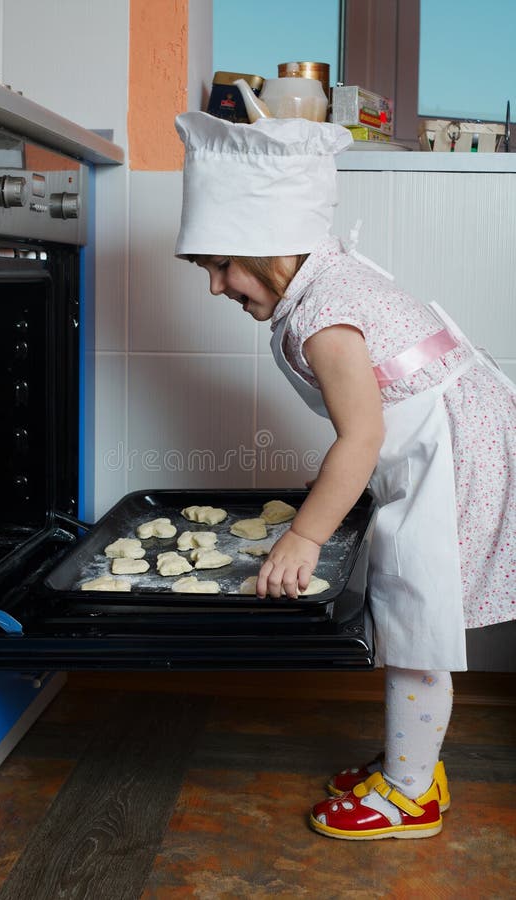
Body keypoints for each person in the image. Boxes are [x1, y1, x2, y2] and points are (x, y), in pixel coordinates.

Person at [174, 111, 516, 840]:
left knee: (414, 615)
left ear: (270, 248)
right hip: (445, 441)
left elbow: (361, 437)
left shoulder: (324, 317)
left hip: (452, 455)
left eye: (220, 264)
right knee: (407, 608)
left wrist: (303, 537)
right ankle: (412, 759)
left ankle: (408, 794)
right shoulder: (323, 281)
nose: (213, 286)